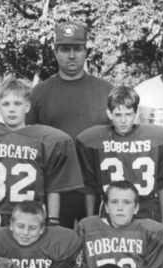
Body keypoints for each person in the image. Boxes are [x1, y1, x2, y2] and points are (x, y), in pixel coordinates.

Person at [0, 78, 83, 230]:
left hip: (32, 219)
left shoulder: (46, 139)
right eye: (6, 104)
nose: (11, 109)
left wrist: (53, 220)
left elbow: (53, 187)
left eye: (17, 104)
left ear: (27, 106)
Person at [27, 21, 113, 229]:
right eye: (65, 49)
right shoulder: (40, 92)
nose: (71, 55)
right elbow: (29, 141)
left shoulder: (106, 90)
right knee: (56, 245)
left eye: (77, 49)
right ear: (56, 52)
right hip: (55, 187)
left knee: (97, 244)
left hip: (96, 184)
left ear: (85, 51)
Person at [76, 85, 163, 222]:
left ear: (136, 114)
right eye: (118, 115)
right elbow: (89, 187)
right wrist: (90, 221)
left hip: (147, 211)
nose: (123, 120)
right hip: (110, 211)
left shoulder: (159, 138)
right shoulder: (92, 139)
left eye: (128, 114)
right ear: (109, 114)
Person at [76, 181, 163, 268]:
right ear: (106, 207)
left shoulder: (151, 231)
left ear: (136, 208)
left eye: (127, 202)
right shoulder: (88, 228)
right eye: (114, 202)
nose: (120, 208)